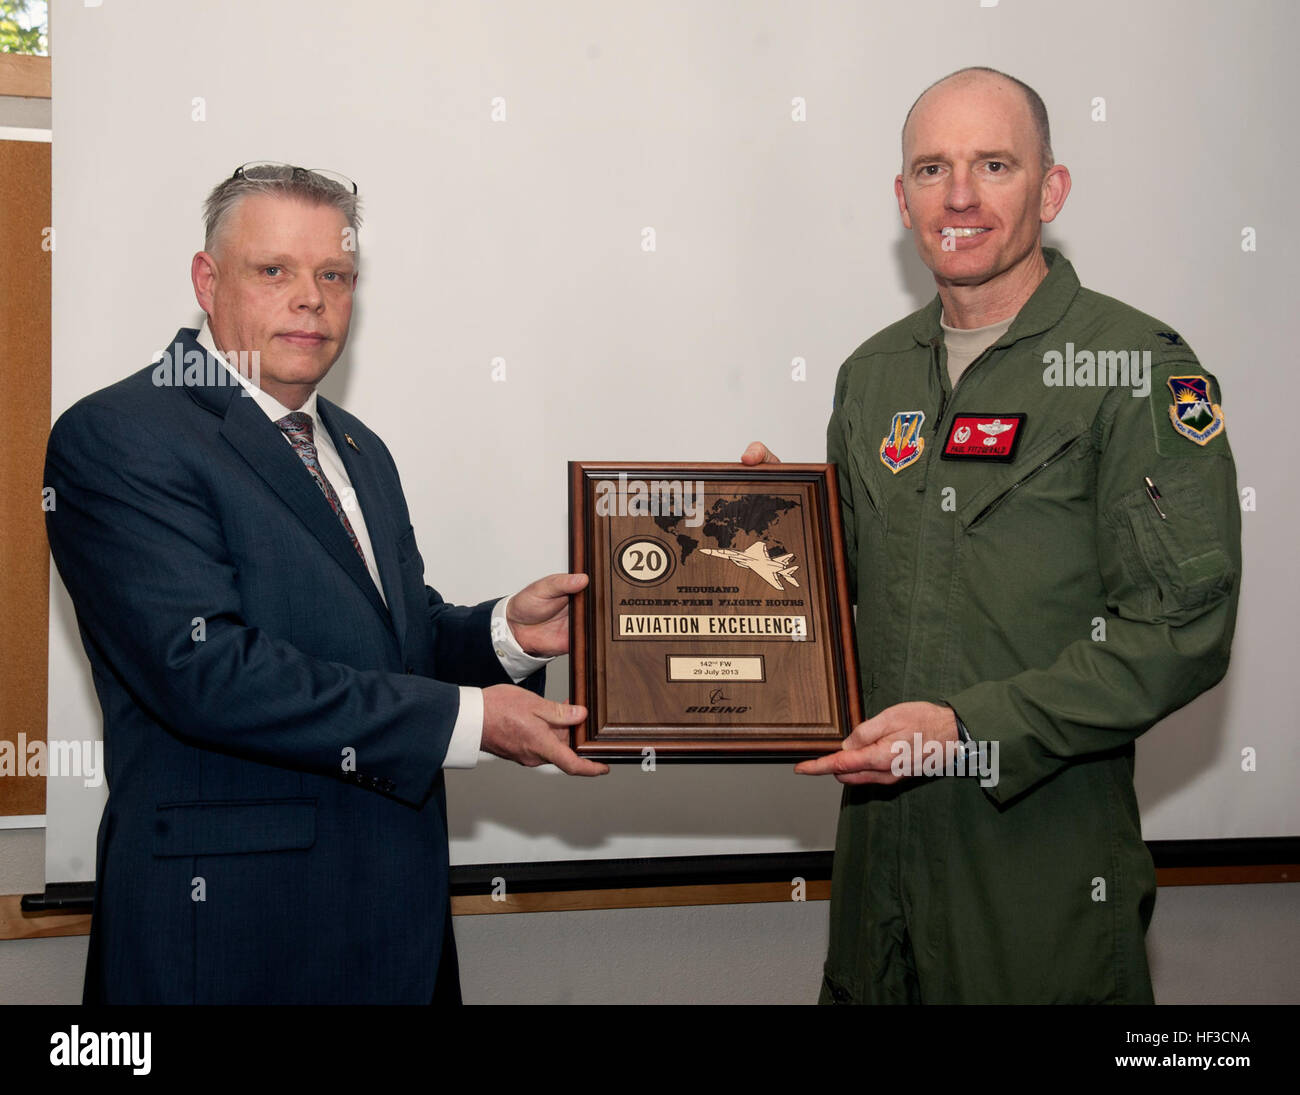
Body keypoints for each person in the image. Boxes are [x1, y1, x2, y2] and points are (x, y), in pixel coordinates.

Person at [44, 162, 608, 1005]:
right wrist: (470, 719)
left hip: (395, 930)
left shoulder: (357, 447)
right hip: (230, 942)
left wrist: (506, 635)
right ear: (207, 281)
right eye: (274, 271)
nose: (310, 298)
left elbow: (391, 635)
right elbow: (208, 671)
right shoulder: (121, 434)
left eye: (334, 275)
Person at [742, 68, 1240, 1003]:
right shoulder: (872, 375)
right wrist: (759, 532)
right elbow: (838, 589)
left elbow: (1182, 631)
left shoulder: (1133, 372)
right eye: (932, 168)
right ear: (902, 198)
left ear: (1050, 189)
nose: (960, 195)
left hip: (1037, 875)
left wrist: (969, 731)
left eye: (994, 164)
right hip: (877, 870)